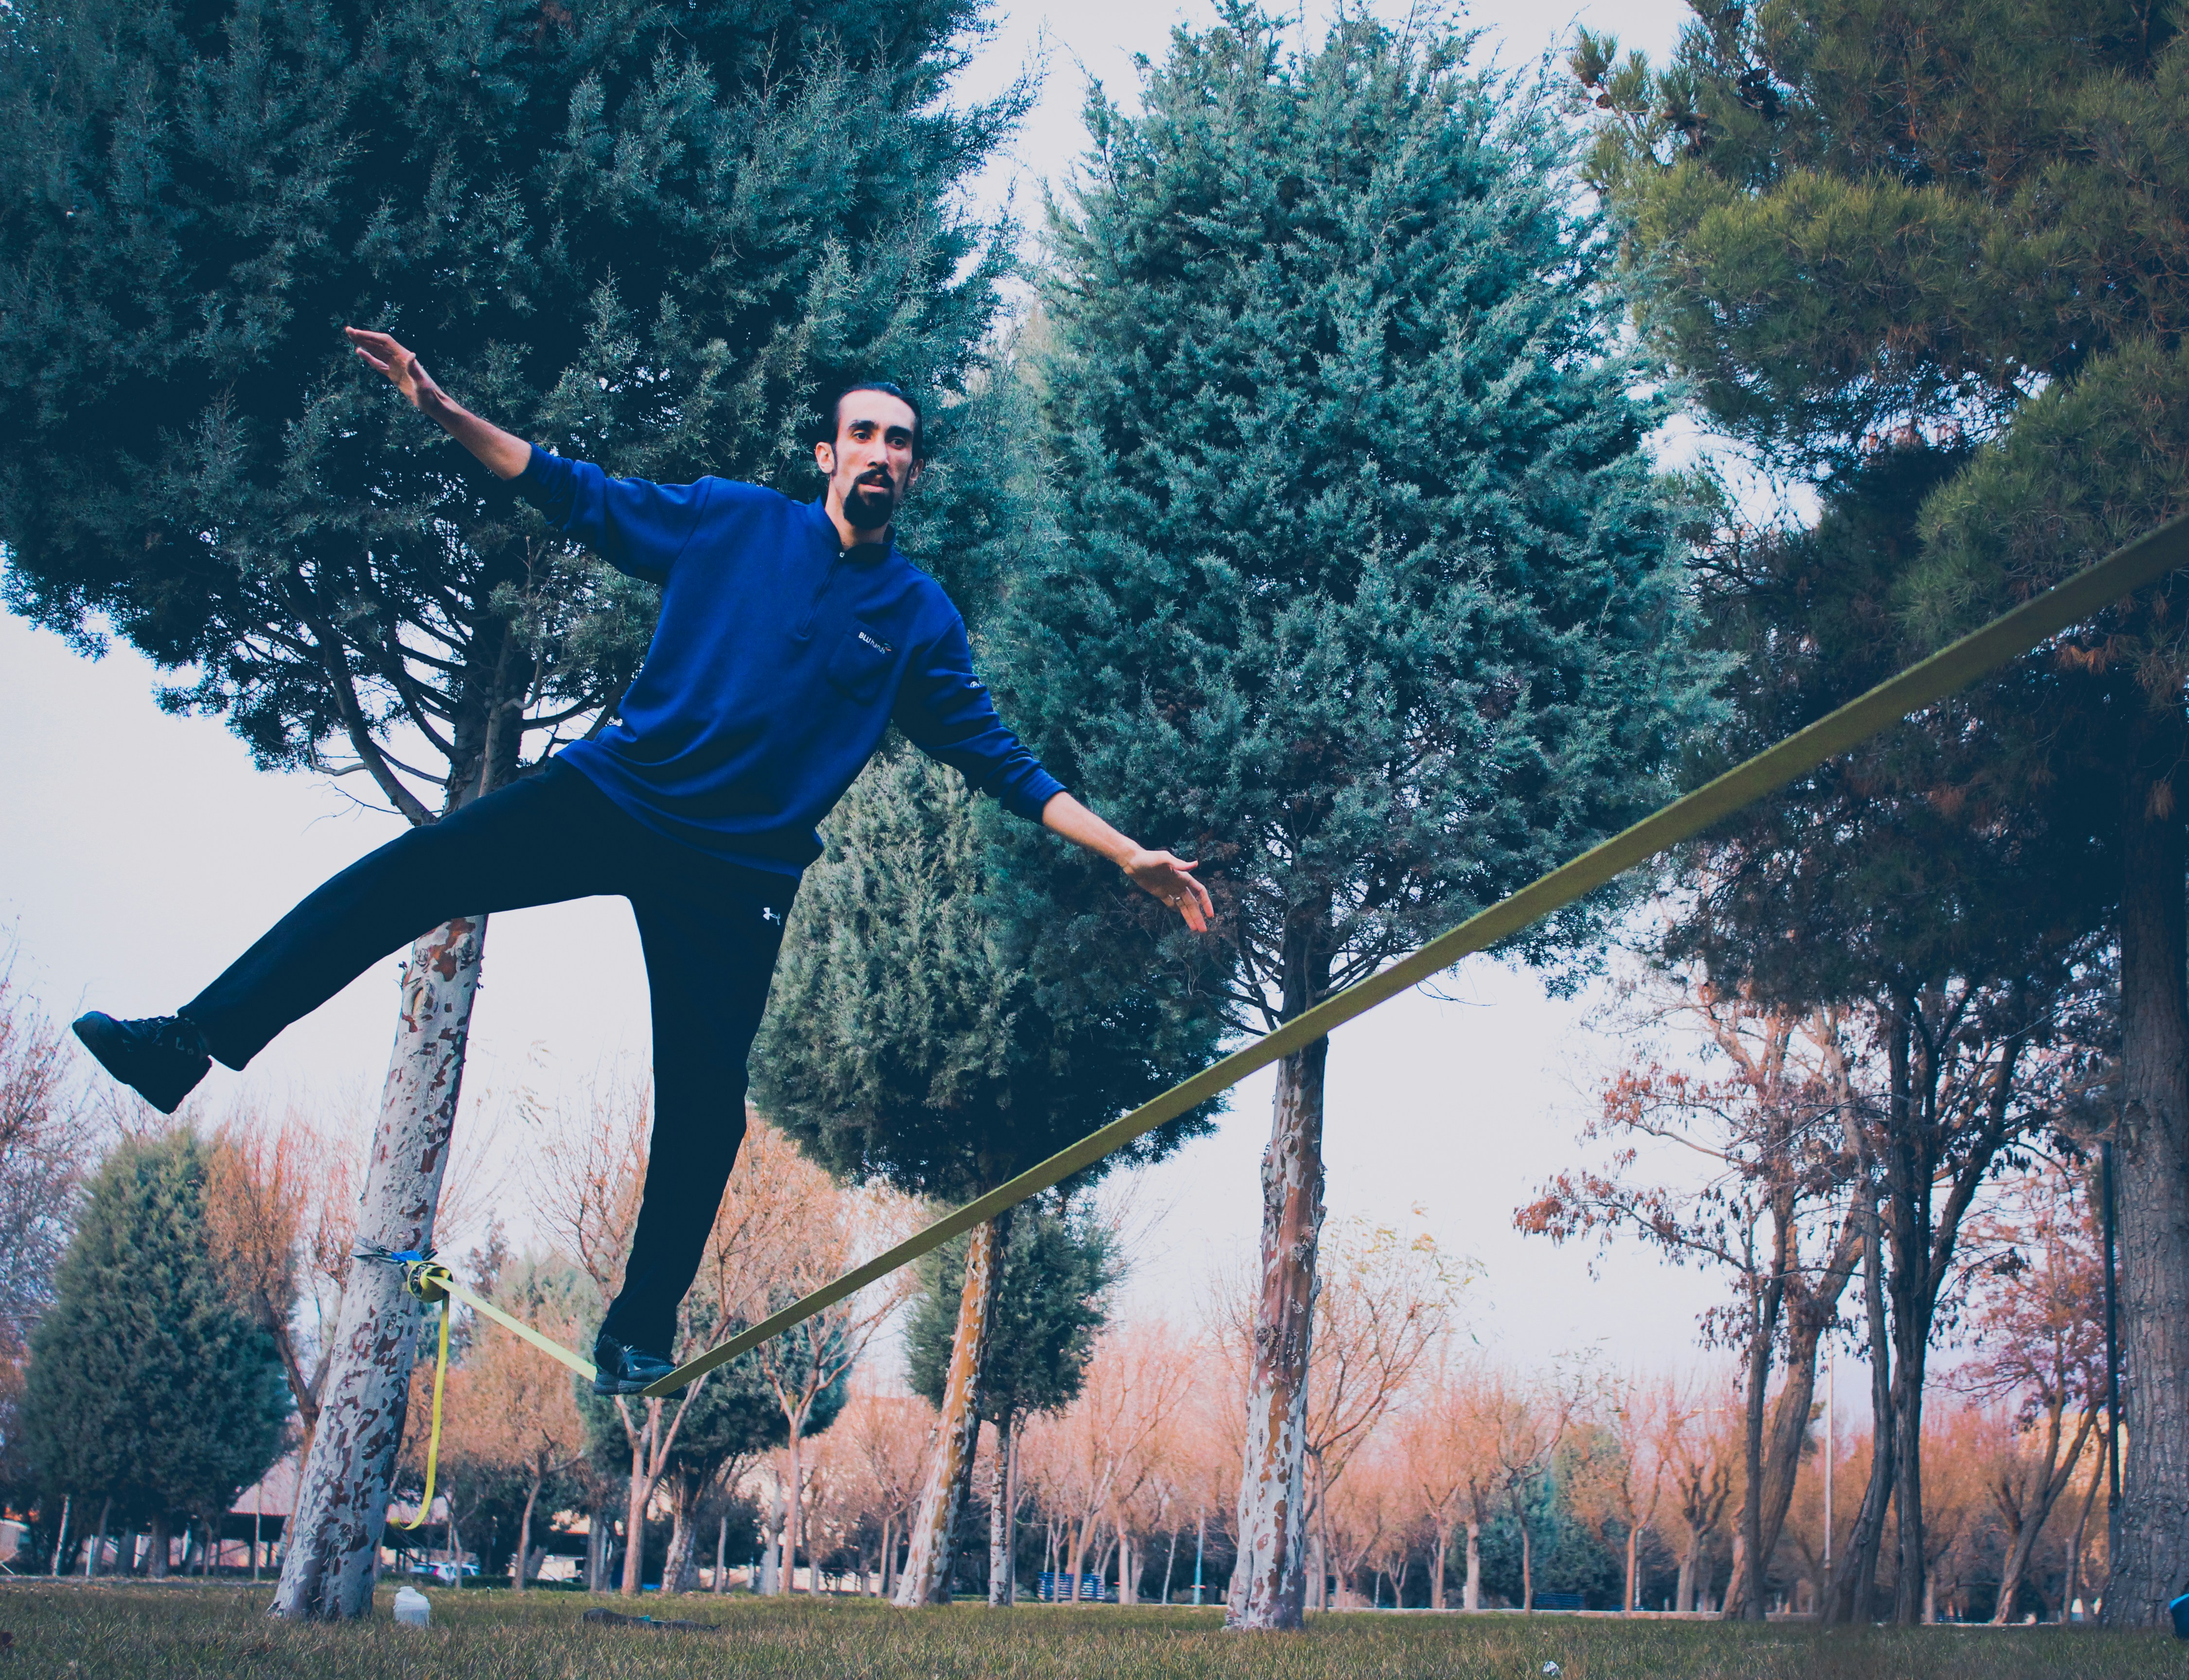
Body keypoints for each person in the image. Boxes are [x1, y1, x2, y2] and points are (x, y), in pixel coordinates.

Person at [73, 327, 1213, 1394]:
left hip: (740, 876)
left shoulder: (917, 618)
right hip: (616, 796)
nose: (879, 453)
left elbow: (1001, 762)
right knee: (408, 875)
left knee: (704, 1102)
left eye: (899, 442)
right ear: (827, 454)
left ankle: (638, 1325)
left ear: (912, 475)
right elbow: (573, 492)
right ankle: (191, 1041)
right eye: (861, 433)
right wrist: (444, 409)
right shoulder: (727, 522)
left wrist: (1126, 855)